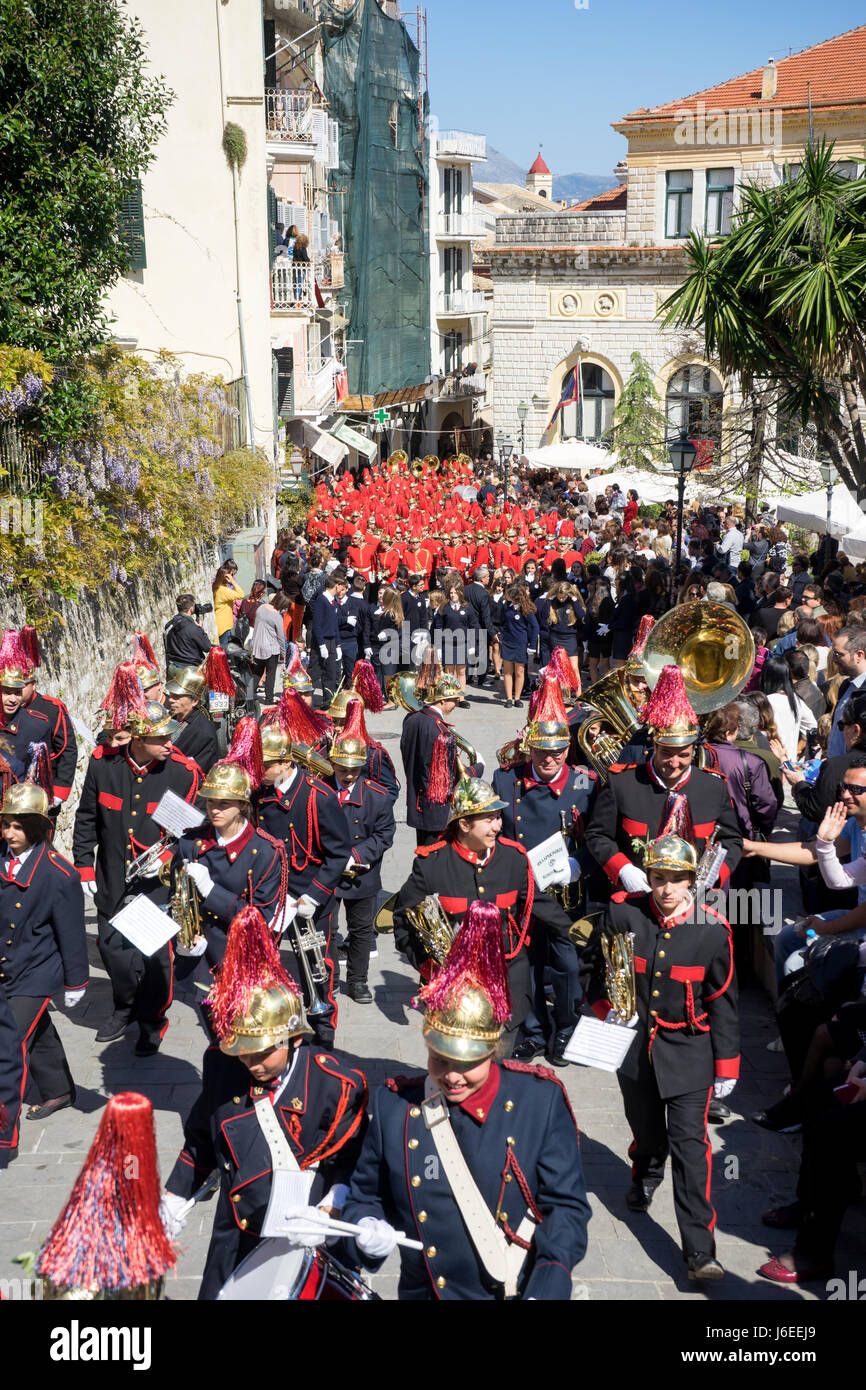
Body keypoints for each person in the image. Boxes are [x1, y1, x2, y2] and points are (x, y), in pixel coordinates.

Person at [340, 900, 590, 1300]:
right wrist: (364, 1231)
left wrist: (549, 1283)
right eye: (440, 1060)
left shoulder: (539, 1101)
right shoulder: (394, 1107)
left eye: (467, 1063)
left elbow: (567, 1209)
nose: (452, 1076)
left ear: (492, 1051)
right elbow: (366, 1196)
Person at [161, 907, 367, 1300]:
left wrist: (331, 1209)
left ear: (294, 1039)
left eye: (262, 1053)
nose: (251, 1063)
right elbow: (201, 1139)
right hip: (236, 1230)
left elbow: (357, 1164)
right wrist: (173, 1198)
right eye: (244, 1053)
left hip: (308, 1235)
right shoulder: (223, 1066)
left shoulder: (337, 1083)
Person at [605, 833, 739, 1279]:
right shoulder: (624, 914)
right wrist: (605, 1012)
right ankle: (645, 1169)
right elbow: (602, 972)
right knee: (646, 1131)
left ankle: (699, 1250)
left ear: (691, 882)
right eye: (658, 879)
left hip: (689, 1056)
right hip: (635, 1053)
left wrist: (726, 1066)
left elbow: (722, 1000)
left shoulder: (713, 930)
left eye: (676, 881)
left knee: (691, 1149)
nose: (665, 890)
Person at [392, 768, 581, 1046]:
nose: (497, 826)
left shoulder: (514, 858)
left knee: (498, 1070)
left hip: (508, 988)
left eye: (497, 818)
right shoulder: (431, 864)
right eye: (489, 819)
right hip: (454, 996)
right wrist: (430, 968)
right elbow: (403, 922)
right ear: (464, 824)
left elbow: (537, 904)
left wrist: (579, 933)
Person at [73, 670, 202, 1055]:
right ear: (139, 739)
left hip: (155, 883)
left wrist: (165, 855)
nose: (169, 742)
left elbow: (187, 832)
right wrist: (83, 865)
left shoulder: (180, 773)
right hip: (113, 878)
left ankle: (150, 1020)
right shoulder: (103, 767)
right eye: (161, 738)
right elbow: (86, 819)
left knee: (153, 956)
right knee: (113, 951)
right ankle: (123, 1007)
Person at [492, 674, 598, 1065]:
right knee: (526, 964)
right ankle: (533, 1032)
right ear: (529, 748)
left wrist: (578, 864)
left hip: (565, 893)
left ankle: (567, 1028)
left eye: (556, 751)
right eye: (540, 751)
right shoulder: (507, 781)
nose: (548, 759)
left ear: (568, 748)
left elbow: (598, 840)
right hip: (523, 890)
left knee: (568, 964)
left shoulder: (586, 784)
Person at [585, 664, 743, 898]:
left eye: (683, 754)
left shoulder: (714, 787)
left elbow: (731, 840)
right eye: (666, 753)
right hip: (636, 899)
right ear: (654, 747)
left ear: (693, 750)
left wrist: (713, 877)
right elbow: (598, 835)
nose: (675, 762)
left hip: (696, 902)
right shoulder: (622, 783)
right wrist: (623, 870)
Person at [255, 700, 352, 1047]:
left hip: (311, 899)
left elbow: (338, 854)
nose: (259, 771)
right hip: (274, 898)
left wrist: (313, 894)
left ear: (284, 763)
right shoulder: (260, 795)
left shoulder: (319, 797)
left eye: (264, 765)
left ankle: (322, 1026)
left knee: (317, 965)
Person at [0, 779, 88, 1121]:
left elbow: (71, 933)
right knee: (37, 1029)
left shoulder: (59, 875)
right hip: (7, 963)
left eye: (19, 826)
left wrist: (77, 982)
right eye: (6, 824)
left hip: (36, 970)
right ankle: (58, 1090)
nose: (10, 833)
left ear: (37, 827)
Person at [328, 706, 396, 1004]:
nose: (348, 775)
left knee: (361, 932)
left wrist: (356, 854)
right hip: (327, 873)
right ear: (333, 764)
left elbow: (385, 835)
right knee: (326, 931)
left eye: (354, 770)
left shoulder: (376, 797)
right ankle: (327, 979)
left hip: (361, 874)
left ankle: (357, 981)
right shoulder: (319, 791)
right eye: (342, 769)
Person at [400, 661, 477, 847]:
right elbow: (447, 780)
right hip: (437, 812)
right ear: (441, 700)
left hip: (417, 803)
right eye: (454, 699)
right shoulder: (441, 731)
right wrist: (477, 768)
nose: (457, 702)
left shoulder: (410, 719)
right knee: (437, 863)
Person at [760, 655, 817, 764]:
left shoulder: (766, 701)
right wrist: (798, 748)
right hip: (790, 762)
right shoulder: (796, 700)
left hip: (769, 762)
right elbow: (813, 726)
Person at [164, 667, 220, 774]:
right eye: (171, 695)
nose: (170, 700)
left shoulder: (204, 732)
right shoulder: (170, 717)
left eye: (177, 697)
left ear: (194, 701)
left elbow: (201, 770)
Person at [825, 624, 866, 756]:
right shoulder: (845, 686)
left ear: (859, 655)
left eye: (838, 654)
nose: (833, 659)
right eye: (833, 653)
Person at [310, 567, 346, 706]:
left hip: (331, 641)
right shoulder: (322, 599)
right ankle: (305, 702)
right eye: (341, 587)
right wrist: (321, 645)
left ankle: (328, 701)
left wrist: (338, 645)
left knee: (330, 673)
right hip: (322, 641)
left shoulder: (333, 601)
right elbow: (317, 624)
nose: (342, 590)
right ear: (336, 586)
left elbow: (334, 624)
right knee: (315, 672)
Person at [499, 582, 539, 708]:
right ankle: (509, 698)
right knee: (507, 672)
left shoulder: (526, 609)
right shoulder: (507, 607)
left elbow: (535, 627)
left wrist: (532, 645)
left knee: (520, 672)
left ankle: (517, 698)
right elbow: (501, 622)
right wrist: (500, 635)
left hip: (521, 643)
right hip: (507, 642)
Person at [248, 590, 287, 708]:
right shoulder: (277, 616)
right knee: (271, 674)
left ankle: (249, 694)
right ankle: (269, 698)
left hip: (258, 645)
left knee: (257, 671)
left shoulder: (261, 608)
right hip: (271, 647)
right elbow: (280, 637)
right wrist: (283, 653)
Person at [164, 594, 214, 670]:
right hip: (190, 670)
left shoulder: (169, 625)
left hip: (173, 667)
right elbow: (207, 647)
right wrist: (201, 629)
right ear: (191, 608)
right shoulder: (194, 628)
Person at [212, 560, 245, 648]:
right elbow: (241, 594)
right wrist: (233, 582)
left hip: (220, 624)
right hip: (224, 626)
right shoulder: (223, 590)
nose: (233, 577)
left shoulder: (217, 586)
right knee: (223, 653)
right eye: (232, 575)